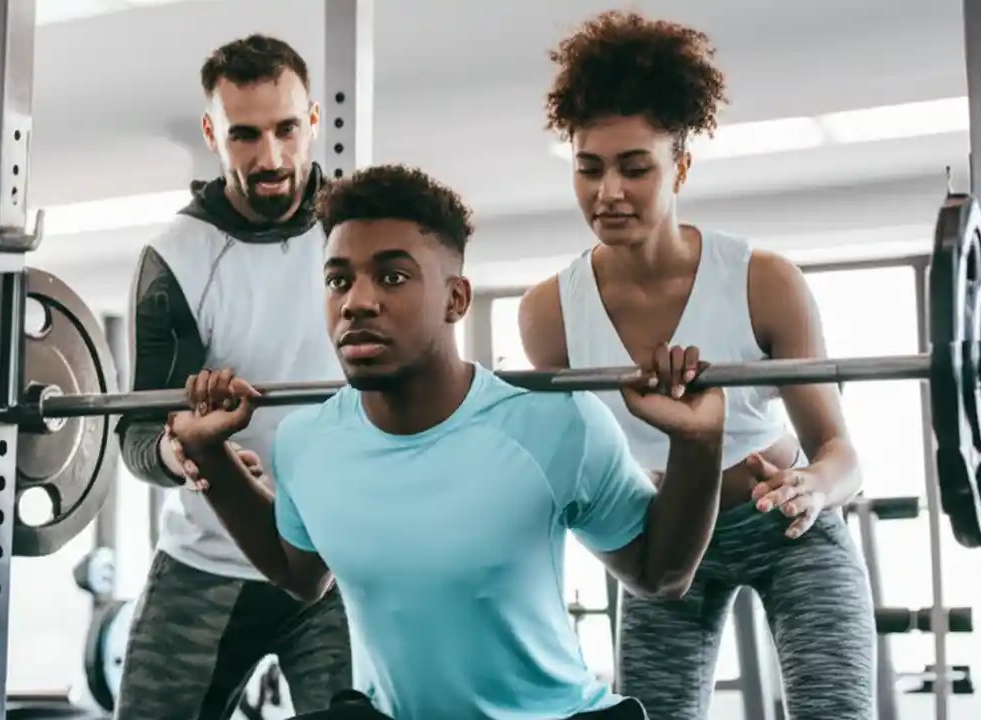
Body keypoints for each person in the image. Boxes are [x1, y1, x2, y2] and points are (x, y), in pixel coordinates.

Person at [166, 163, 730, 720]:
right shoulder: (306, 441)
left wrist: (699, 445)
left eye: (392, 276)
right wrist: (209, 453)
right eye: (339, 279)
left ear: (456, 299)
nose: (356, 302)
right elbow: (300, 573)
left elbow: (662, 574)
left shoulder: (554, 422)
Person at [518, 11, 876, 720]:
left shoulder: (763, 281)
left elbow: (842, 453)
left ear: (680, 165)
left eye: (634, 167)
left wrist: (812, 487)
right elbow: (581, 460)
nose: (608, 192)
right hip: (665, 540)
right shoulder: (549, 312)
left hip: (786, 530)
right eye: (589, 169)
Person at [113, 34, 352, 719]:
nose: (270, 158)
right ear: (213, 133)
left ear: (312, 123)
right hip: (206, 564)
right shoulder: (177, 258)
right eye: (245, 136)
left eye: (285, 129)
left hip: (339, 558)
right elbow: (137, 435)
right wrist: (181, 447)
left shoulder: (355, 233)